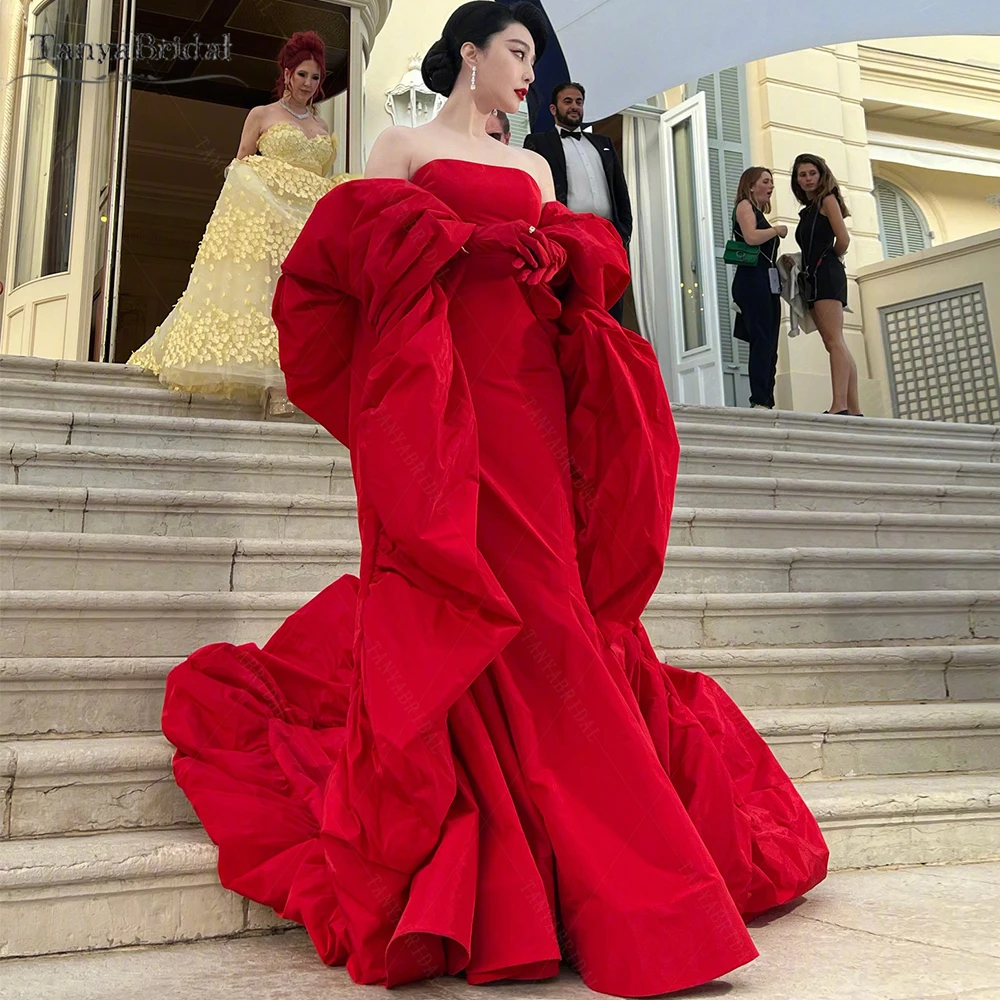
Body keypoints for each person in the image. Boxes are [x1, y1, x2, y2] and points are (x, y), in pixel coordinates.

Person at [160, 3, 828, 996]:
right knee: (460, 584)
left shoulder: (538, 171)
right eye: (515, 52)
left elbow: (586, 281)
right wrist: (442, 244)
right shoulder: (395, 143)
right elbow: (337, 265)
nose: (528, 72)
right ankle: (579, 879)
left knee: (550, 602)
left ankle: (595, 867)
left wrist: (557, 257)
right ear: (466, 53)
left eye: (534, 57)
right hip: (436, 401)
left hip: (529, 398)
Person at [128, 31, 351, 414]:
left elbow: (321, 175)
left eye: (315, 78)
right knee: (268, 294)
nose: (309, 85)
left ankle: (303, 380)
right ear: (287, 72)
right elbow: (241, 165)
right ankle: (274, 383)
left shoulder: (323, 125)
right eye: (302, 75)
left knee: (306, 299)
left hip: (308, 222)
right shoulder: (262, 115)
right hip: (268, 218)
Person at [523, 81, 632, 321]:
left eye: (579, 102)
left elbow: (619, 190)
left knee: (610, 307)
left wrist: (623, 232)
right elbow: (533, 192)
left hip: (608, 236)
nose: (574, 107)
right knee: (573, 308)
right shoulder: (539, 143)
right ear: (553, 109)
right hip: (568, 236)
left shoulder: (603, 144)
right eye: (568, 101)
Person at [790, 153, 862, 416]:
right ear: (796, 180)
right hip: (815, 276)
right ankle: (852, 409)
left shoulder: (827, 199)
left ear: (821, 174)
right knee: (835, 341)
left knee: (834, 341)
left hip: (826, 274)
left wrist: (829, 259)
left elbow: (842, 239)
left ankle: (839, 405)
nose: (807, 179)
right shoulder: (809, 209)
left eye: (812, 173)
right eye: (802, 174)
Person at [731, 167, 787, 409]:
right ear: (751, 185)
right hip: (753, 281)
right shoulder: (745, 206)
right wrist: (776, 230)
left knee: (770, 342)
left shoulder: (756, 212)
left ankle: (766, 397)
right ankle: (759, 399)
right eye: (766, 181)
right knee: (763, 340)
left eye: (771, 182)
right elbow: (751, 237)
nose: (771, 186)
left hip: (765, 278)